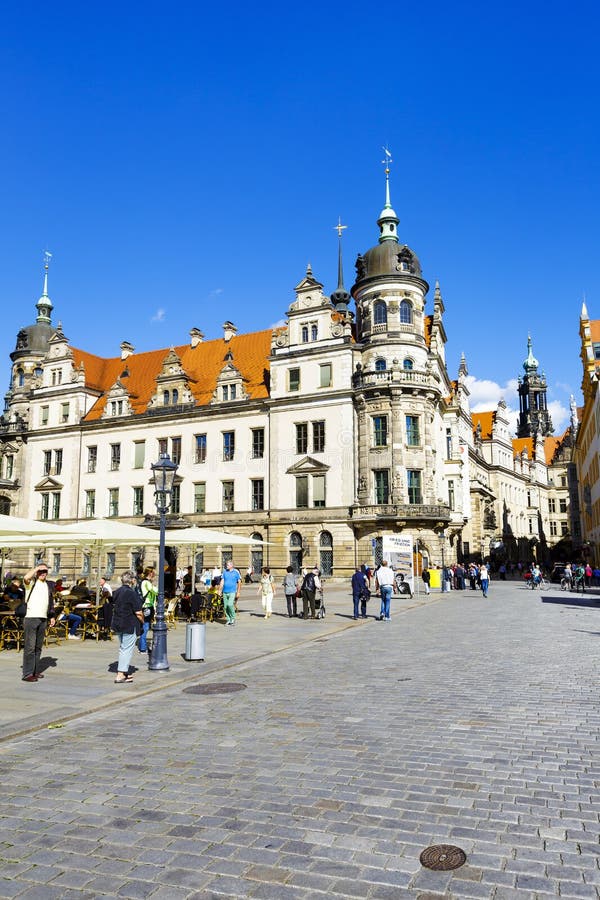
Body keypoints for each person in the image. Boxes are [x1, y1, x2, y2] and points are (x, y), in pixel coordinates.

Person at [21, 563, 56, 682]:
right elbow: (25, 578)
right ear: (36, 572)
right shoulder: (31, 583)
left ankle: (35, 671)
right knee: (30, 647)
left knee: (38, 647)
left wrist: (52, 616)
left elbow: (50, 602)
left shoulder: (48, 585)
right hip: (31, 617)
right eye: (41, 571)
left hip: (43, 618)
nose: (43, 573)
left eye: (45, 571)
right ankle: (27, 673)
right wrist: (37, 568)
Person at [111, 570, 144, 683]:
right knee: (126, 649)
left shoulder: (117, 592)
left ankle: (124, 672)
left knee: (123, 647)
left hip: (118, 623)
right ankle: (120, 674)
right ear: (133, 580)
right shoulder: (131, 593)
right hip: (129, 624)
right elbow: (138, 612)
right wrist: (143, 621)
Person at [138, 567, 157, 653]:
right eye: (153, 572)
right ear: (150, 573)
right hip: (147, 606)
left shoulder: (147, 582)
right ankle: (143, 648)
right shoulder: (146, 582)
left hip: (148, 606)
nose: (155, 574)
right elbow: (155, 591)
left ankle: (143, 646)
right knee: (145, 627)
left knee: (145, 626)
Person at [220, 560, 242, 625]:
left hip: (232, 591)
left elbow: (239, 582)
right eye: (226, 565)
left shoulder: (236, 572)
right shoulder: (224, 572)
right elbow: (222, 581)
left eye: (228, 565)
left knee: (230, 604)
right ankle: (229, 619)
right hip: (225, 591)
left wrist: (238, 592)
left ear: (232, 565)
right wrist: (219, 591)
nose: (226, 566)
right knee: (225, 606)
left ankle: (233, 618)